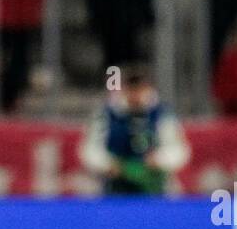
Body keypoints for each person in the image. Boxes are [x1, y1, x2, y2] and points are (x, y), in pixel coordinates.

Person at [78, 65, 191, 196]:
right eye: (132, 88)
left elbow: (179, 150)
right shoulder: (107, 115)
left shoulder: (162, 115)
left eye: (140, 88)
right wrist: (108, 164)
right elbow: (90, 149)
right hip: (114, 189)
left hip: (155, 189)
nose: (136, 94)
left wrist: (159, 160)